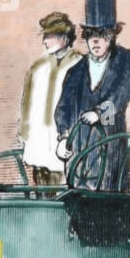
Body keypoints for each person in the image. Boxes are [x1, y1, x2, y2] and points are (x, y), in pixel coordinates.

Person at [54, 0, 130, 190]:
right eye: (91, 35)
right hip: (79, 156)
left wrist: (100, 112)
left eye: (102, 35)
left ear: (112, 36)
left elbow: (121, 95)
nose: (96, 41)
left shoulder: (128, 61)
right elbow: (63, 109)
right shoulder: (75, 72)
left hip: (110, 151)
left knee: (110, 205)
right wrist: (62, 137)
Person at [17, 12, 83, 185]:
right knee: (41, 186)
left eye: (49, 36)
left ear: (64, 37)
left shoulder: (80, 63)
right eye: (44, 36)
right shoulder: (38, 67)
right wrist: (24, 130)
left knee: (64, 187)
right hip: (38, 138)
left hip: (65, 139)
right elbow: (26, 102)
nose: (44, 41)